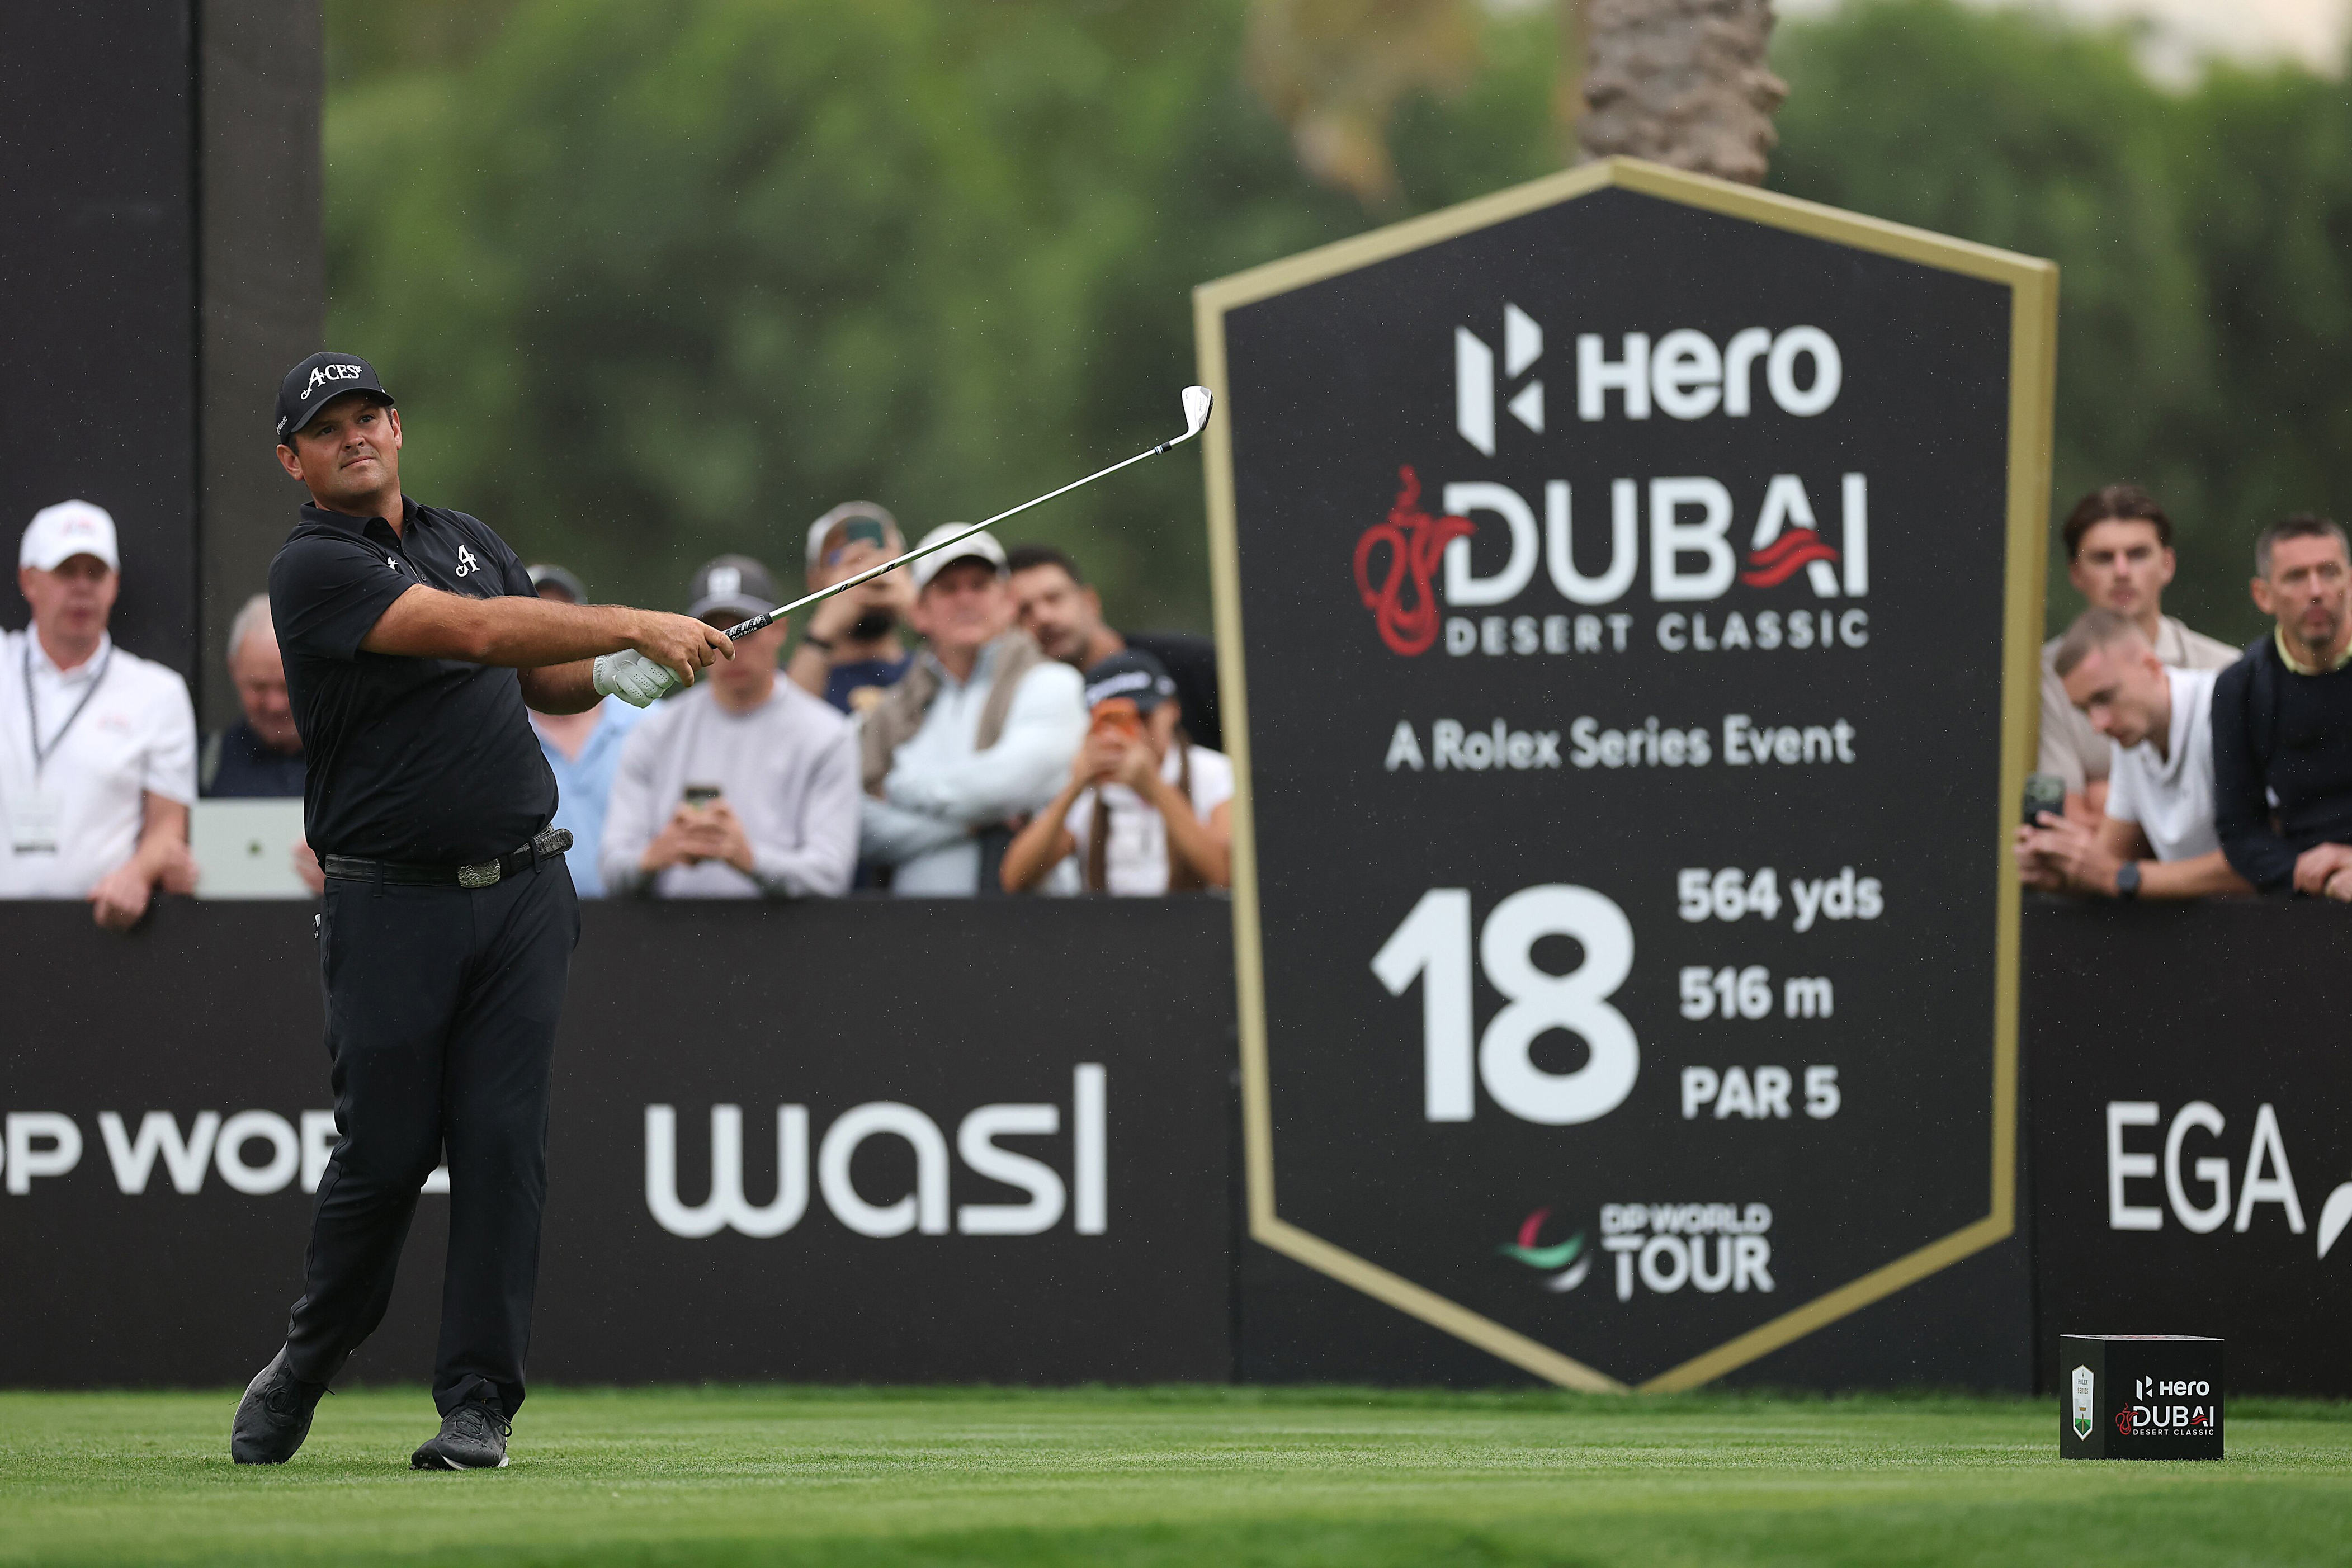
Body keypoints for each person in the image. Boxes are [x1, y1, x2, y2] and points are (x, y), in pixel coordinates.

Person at [233, 352, 730, 1472]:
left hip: (523, 891)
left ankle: (477, 1405)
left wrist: (620, 672)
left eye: (370, 415)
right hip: (389, 902)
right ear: (294, 459)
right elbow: (472, 633)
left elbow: (536, 678)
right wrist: (635, 621)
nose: (356, 435)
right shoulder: (311, 567)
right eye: (329, 427)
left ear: (398, 427)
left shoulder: (465, 536)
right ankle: (311, 1354)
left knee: (504, 1145)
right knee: (386, 1154)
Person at [601, 555, 858, 899]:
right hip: (671, 928)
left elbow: (831, 875)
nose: (729, 647)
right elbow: (612, 868)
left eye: (745, 630)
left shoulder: (828, 735)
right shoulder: (655, 732)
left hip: (780, 930)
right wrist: (654, 857)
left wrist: (750, 859)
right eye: (713, 634)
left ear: (780, 629)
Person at [0, 500, 199, 928]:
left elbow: (168, 826)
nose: (82, 588)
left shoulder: (157, 693)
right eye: (65, 572)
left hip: (101, 935)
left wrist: (137, 874)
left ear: (114, 585)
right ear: (29, 580)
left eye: (95, 573)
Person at [858, 527, 1085, 895]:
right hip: (911, 926)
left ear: (1008, 602)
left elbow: (1008, 785)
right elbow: (859, 827)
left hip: (1029, 923)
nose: (965, 599)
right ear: (919, 612)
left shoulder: (1053, 683)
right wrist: (968, 826)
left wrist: (901, 788)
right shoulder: (890, 712)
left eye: (979, 585)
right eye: (948, 589)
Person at [2015, 609, 2250, 900]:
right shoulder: (2132, 739)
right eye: (2085, 710)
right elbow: (2108, 859)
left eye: (2104, 698)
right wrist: (2062, 875)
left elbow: (2260, 863)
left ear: (2151, 666)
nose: (2098, 724)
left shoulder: (2226, 709)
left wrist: (2122, 877)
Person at [2038, 485, 2237, 822]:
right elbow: (2063, 821)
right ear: (2075, 573)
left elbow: (2235, 823)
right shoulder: (2046, 675)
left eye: (2137, 554)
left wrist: (2101, 797)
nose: (2122, 571)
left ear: (2167, 564)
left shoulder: (2226, 669)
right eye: (2103, 558)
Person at [1000, 649, 1233, 895]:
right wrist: (1074, 788)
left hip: (1195, 919)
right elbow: (1016, 879)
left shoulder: (1215, 773)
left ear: (1173, 710)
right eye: (1114, 722)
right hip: (1112, 920)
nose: (1134, 735)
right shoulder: (1091, 786)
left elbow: (1226, 873)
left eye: (1143, 717)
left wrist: (1154, 788)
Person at [2212, 515, 2352, 900]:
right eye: (2295, 577)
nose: (2316, 590)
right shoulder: (2241, 688)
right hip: (2308, 900)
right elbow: (2239, 830)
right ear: (2263, 595)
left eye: (2329, 572)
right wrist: (2313, 875)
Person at [1007, 543, 1223, 754]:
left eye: (1054, 598)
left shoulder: (1191, 662)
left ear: (1091, 601)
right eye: (1025, 611)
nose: (1043, 617)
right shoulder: (1031, 708)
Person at [518, 565, 644, 899]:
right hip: (532, 919)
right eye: (536, 619)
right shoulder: (493, 731)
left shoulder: (651, 723)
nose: (551, 634)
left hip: (642, 917)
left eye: (564, 620)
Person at [787, 502, 915, 715]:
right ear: (814, 580)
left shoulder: (934, 666)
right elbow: (786, 723)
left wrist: (918, 611)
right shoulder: (780, 682)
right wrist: (822, 632)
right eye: (840, 557)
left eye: (879, 551)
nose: (865, 571)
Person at [202, 593, 306, 798]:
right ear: (234, 670)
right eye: (259, 687)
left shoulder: (356, 762)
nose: (275, 705)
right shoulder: (205, 764)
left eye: (287, 687)